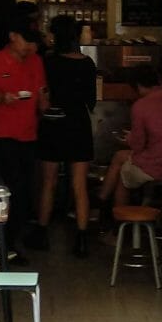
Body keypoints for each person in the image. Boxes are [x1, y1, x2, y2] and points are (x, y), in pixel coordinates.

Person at [0, 25, 48, 253]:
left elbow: (42, 91)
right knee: (14, 185)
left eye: (32, 42)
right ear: (12, 35)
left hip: (30, 133)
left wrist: (45, 103)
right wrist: (0, 99)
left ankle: (14, 237)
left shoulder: (36, 61)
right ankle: (7, 240)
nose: (28, 46)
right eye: (25, 40)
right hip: (2, 134)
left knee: (27, 187)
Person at [37, 16, 98, 257]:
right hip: (78, 123)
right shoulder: (88, 63)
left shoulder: (49, 62)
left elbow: (44, 95)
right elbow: (91, 101)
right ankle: (82, 239)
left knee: (48, 182)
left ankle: (42, 233)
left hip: (53, 123)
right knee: (79, 184)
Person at [98, 65, 162, 215]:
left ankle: (115, 217)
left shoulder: (140, 106)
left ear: (138, 86)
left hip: (155, 165)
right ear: (159, 81)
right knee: (120, 157)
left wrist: (129, 138)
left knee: (123, 173)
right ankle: (103, 202)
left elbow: (138, 145)